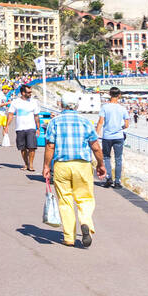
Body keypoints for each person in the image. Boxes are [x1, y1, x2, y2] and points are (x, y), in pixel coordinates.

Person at [43, 106, 107, 248]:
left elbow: (50, 146)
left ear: (61, 105)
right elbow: (95, 146)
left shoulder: (55, 121)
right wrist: (101, 164)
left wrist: (46, 166)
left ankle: (69, 237)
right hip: (82, 165)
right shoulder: (85, 122)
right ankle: (85, 222)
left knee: (65, 200)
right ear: (76, 106)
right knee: (85, 198)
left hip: (61, 165)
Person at [98, 86, 128, 189]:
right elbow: (127, 124)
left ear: (110, 95)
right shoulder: (122, 108)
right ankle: (118, 181)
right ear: (119, 95)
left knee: (106, 157)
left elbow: (100, 122)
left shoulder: (105, 107)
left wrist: (96, 134)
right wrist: (120, 128)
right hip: (118, 136)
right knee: (118, 159)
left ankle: (108, 178)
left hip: (107, 136)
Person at [9, 83, 42, 172]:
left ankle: (31, 164)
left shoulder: (34, 102)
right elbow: (11, 114)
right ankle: (26, 163)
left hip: (31, 128)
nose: (30, 94)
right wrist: (6, 126)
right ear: (23, 93)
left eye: (31, 92)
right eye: (28, 92)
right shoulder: (15, 102)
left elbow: (36, 116)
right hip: (20, 128)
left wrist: (38, 128)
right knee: (22, 148)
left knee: (32, 147)